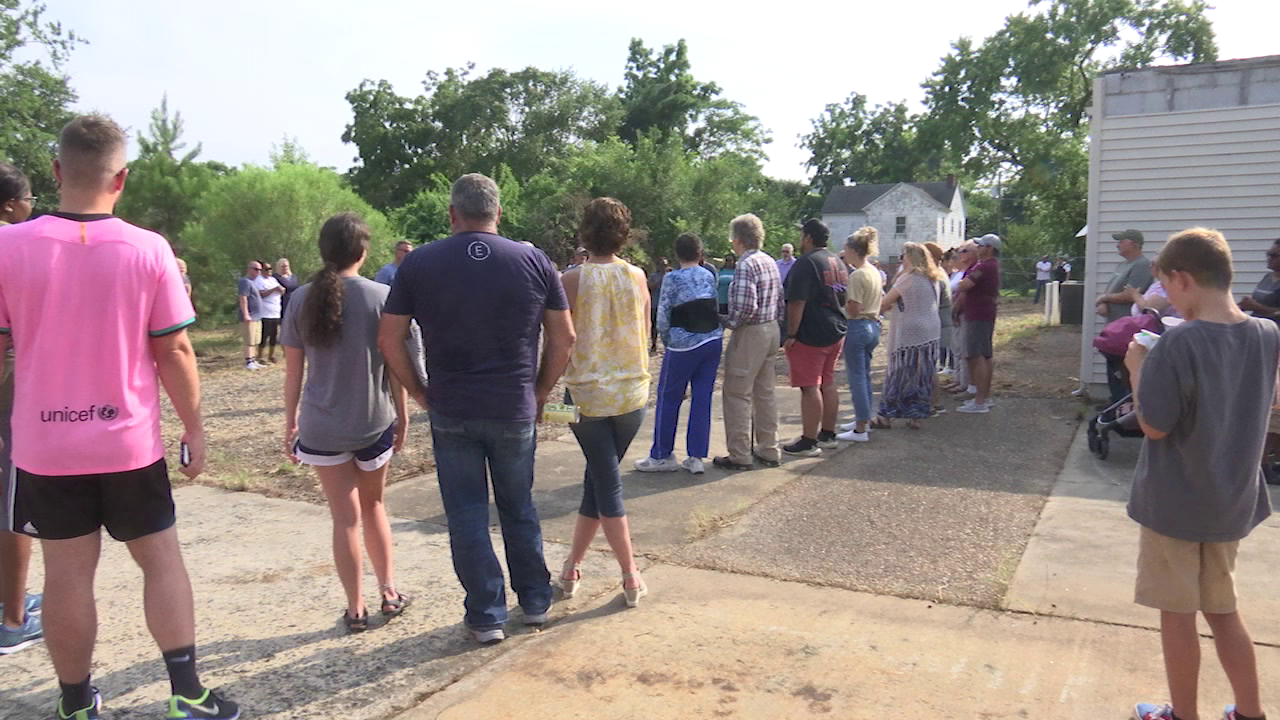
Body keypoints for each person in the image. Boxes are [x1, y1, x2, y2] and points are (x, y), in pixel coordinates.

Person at [0, 114, 238, 719]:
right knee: (160, 560)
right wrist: (194, 427)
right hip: (128, 441)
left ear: (56, 171)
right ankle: (187, 696)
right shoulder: (149, 248)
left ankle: (78, 706)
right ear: (122, 178)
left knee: (67, 575)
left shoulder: (8, 247)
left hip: (46, 446)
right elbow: (175, 349)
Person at [378, 173, 574, 645]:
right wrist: (540, 389)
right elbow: (564, 336)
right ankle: (533, 600)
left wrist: (421, 391)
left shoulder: (420, 263)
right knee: (518, 507)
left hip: (452, 408)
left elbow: (389, 337)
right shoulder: (532, 260)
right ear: (498, 213)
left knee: (465, 514)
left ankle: (486, 613)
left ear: (452, 214)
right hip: (513, 406)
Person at [1126, 228, 1276, 720]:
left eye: (1167, 288)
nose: (1167, 299)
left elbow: (1153, 426)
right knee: (1224, 610)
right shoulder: (1268, 334)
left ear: (1183, 278)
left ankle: (1184, 715)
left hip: (1176, 503)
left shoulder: (1177, 344)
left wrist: (1137, 369)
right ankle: (1251, 712)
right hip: (1232, 499)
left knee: (1178, 614)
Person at [282, 213, 411, 633]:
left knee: (345, 518)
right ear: (363, 251)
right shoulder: (382, 296)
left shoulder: (301, 298)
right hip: (373, 421)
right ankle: (389, 593)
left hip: (320, 426)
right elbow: (397, 367)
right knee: (374, 507)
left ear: (324, 251)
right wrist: (404, 416)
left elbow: (293, 371)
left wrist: (290, 422)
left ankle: (355, 608)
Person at [558, 198, 651, 608]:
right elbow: (646, 333)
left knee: (604, 482)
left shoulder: (571, 281)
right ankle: (571, 567)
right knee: (598, 480)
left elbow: (561, 341)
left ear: (585, 233)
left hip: (584, 398)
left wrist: (544, 386)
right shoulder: (638, 276)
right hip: (632, 394)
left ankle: (630, 576)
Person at [637, 232, 722, 475]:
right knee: (702, 398)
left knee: (668, 398)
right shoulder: (709, 274)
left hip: (683, 343)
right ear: (700, 252)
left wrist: (665, 340)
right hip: (712, 340)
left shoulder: (673, 278)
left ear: (677, 253)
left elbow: (663, 316)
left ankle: (662, 454)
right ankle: (696, 457)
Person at [0, 163, 41, 656]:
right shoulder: (15, 247)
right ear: (11, 203)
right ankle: (13, 621)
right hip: (9, 388)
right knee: (15, 505)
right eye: (30, 198)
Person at [713, 214, 783, 470]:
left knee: (737, 392)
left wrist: (727, 321)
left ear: (738, 239)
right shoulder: (770, 261)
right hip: (771, 327)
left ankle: (740, 454)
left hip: (752, 331)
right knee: (765, 392)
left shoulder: (746, 264)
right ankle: (769, 448)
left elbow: (745, 306)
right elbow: (780, 299)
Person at [782, 219, 847, 456]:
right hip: (836, 327)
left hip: (812, 332)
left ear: (808, 237)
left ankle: (808, 441)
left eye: (802, 236)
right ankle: (827, 434)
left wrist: (791, 334)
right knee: (828, 383)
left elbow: (797, 301)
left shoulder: (806, 263)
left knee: (809, 387)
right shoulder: (837, 261)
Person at [877, 243, 943, 430]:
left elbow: (886, 302)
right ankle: (917, 416)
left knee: (899, 374)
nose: (901, 260)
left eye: (903, 256)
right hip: (930, 329)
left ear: (910, 257)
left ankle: (885, 415)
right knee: (922, 375)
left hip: (910, 332)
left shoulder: (908, 278)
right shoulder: (933, 277)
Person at [835, 227, 882, 443]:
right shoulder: (872, 271)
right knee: (864, 375)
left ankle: (861, 427)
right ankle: (863, 418)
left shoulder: (857, 275)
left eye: (846, 249)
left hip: (858, 325)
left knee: (856, 377)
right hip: (873, 325)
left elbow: (854, 307)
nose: (844, 254)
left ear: (853, 250)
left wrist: (842, 308)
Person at [1096, 230, 1155, 404]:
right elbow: (1112, 290)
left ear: (1134, 244)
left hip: (1127, 329)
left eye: (1122, 241)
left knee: (1123, 370)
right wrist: (1103, 302)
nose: (1117, 244)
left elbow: (1132, 294)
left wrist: (1104, 298)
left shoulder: (1141, 265)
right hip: (1114, 327)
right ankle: (1115, 402)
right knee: (1113, 368)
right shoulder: (1122, 266)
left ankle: (1124, 407)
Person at [954, 234, 1001, 413]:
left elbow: (964, 285)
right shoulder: (990, 266)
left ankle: (979, 401)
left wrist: (953, 284)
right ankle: (983, 398)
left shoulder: (984, 266)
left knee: (977, 355)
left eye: (981, 245)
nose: (978, 248)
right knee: (984, 355)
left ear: (989, 248)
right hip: (983, 313)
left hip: (978, 314)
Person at [1239, 238, 1280, 323]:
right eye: (1268, 254)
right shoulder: (1267, 277)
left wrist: (1257, 307)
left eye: (1274, 255)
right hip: (1259, 327)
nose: (1269, 258)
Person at [255, 261, 284, 365]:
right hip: (265, 312)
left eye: (270, 269)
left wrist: (280, 289)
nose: (269, 271)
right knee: (264, 335)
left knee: (273, 335)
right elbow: (261, 294)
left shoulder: (273, 280)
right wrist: (274, 289)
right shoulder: (259, 280)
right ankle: (260, 355)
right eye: (267, 269)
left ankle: (271, 355)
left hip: (275, 311)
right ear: (262, 270)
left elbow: (281, 289)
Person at [238, 260, 265, 370]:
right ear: (249, 269)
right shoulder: (244, 281)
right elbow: (243, 297)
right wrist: (246, 314)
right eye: (256, 269)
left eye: (260, 270)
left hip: (257, 316)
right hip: (250, 316)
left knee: (255, 340)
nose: (258, 272)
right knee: (249, 340)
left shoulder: (253, 282)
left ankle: (253, 360)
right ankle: (248, 362)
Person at [647, 256, 670, 352]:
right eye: (661, 265)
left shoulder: (670, 276)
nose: (663, 267)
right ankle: (653, 344)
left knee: (668, 325)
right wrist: (659, 281)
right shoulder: (653, 276)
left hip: (667, 305)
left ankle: (667, 344)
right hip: (655, 304)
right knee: (654, 325)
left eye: (665, 265)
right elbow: (649, 287)